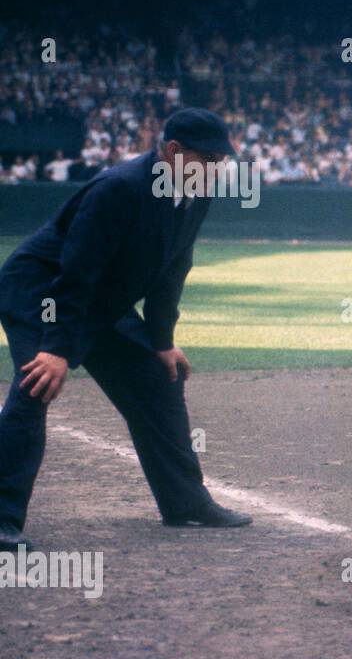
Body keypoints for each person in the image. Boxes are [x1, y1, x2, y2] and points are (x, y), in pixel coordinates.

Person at [0, 108, 254, 551]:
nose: (220, 169)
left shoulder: (197, 191)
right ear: (174, 152)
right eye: (211, 158)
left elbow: (173, 269)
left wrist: (161, 341)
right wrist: (58, 347)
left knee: (160, 379)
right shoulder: (119, 188)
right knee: (36, 386)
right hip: (41, 292)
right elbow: (78, 270)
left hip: (99, 301)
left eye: (223, 161)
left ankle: (186, 502)